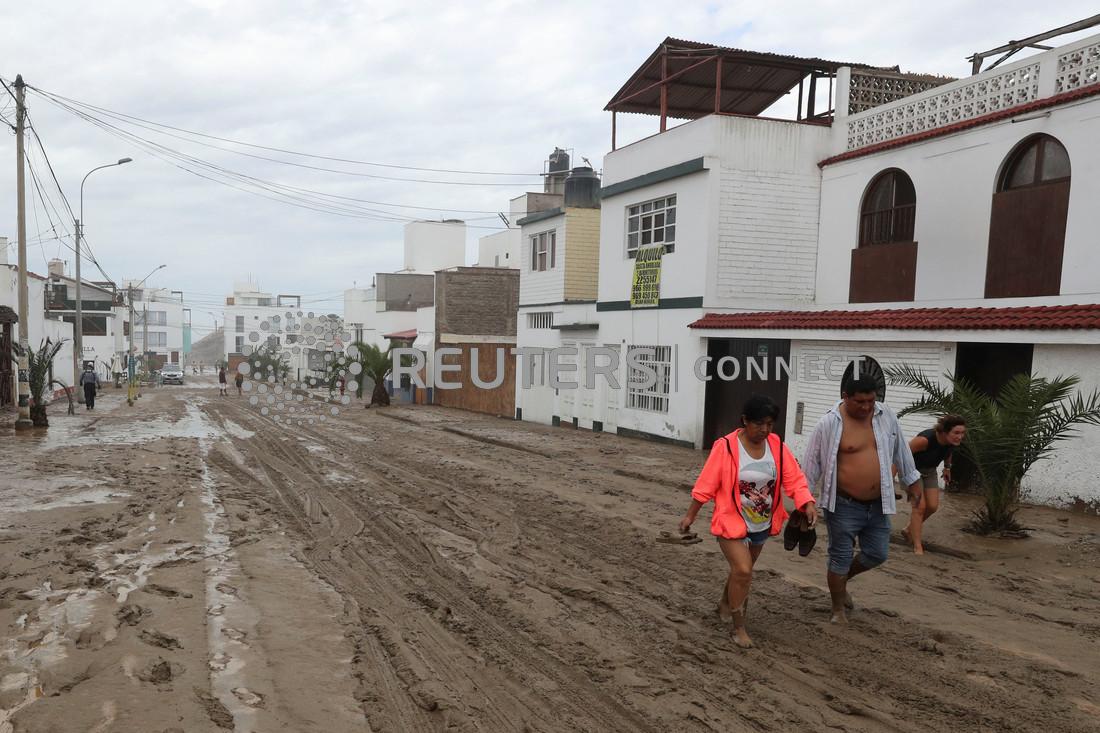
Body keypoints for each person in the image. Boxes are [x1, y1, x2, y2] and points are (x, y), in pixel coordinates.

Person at [679, 395, 817, 648]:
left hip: (761, 523)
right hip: (731, 520)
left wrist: (806, 502)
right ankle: (738, 628)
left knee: (740, 572)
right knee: (744, 571)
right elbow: (707, 482)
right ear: (745, 421)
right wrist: (691, 514)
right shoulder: (727, 447)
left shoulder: (776, 446)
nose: (765, 430)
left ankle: (724, 604)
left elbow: (794, 479)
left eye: (770, 424)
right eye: (759, 424)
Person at [803, 374, 922, 625]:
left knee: (877, 553)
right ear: (845, 397)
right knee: (839, 557)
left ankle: (843, 580)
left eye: (871, 400)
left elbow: (901, 448)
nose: (867, 407)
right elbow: (811, 463)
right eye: (860, 401)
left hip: (879, 503)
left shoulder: (885, 415)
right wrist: (806, 500)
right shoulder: (828, 423)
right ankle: (837, 610)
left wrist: (913, 482)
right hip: (844, 504)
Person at [904, 415, 967, 555]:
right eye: (956, 433)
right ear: (944, 432)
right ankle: (917, 546)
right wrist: (889, 478)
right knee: (919, 507)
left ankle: (909, 529)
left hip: (929, 471)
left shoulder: (951, 442)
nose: (960, 437)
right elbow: (901, 455)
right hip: (911, 471)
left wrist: (947, 468)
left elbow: (948, 452)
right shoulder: (924, 440)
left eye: (962, 433)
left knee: (932, 506)